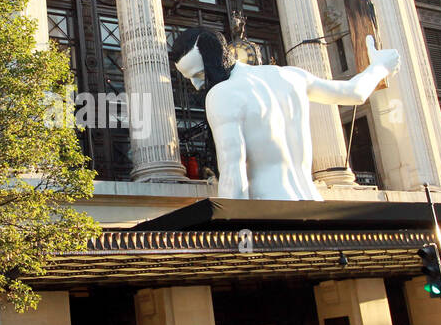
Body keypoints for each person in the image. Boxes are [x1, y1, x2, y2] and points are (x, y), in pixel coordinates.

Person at [170, 28, 400, 201]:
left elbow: (233, 172)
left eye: (200, 73)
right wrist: (380, 67)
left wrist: (234, 236)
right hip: (312, 202)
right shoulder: (291, 76)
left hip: (268, 212)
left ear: (217, 59)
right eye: (188, 77)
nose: (196, 84)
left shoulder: (222, 94)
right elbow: (354, 93)